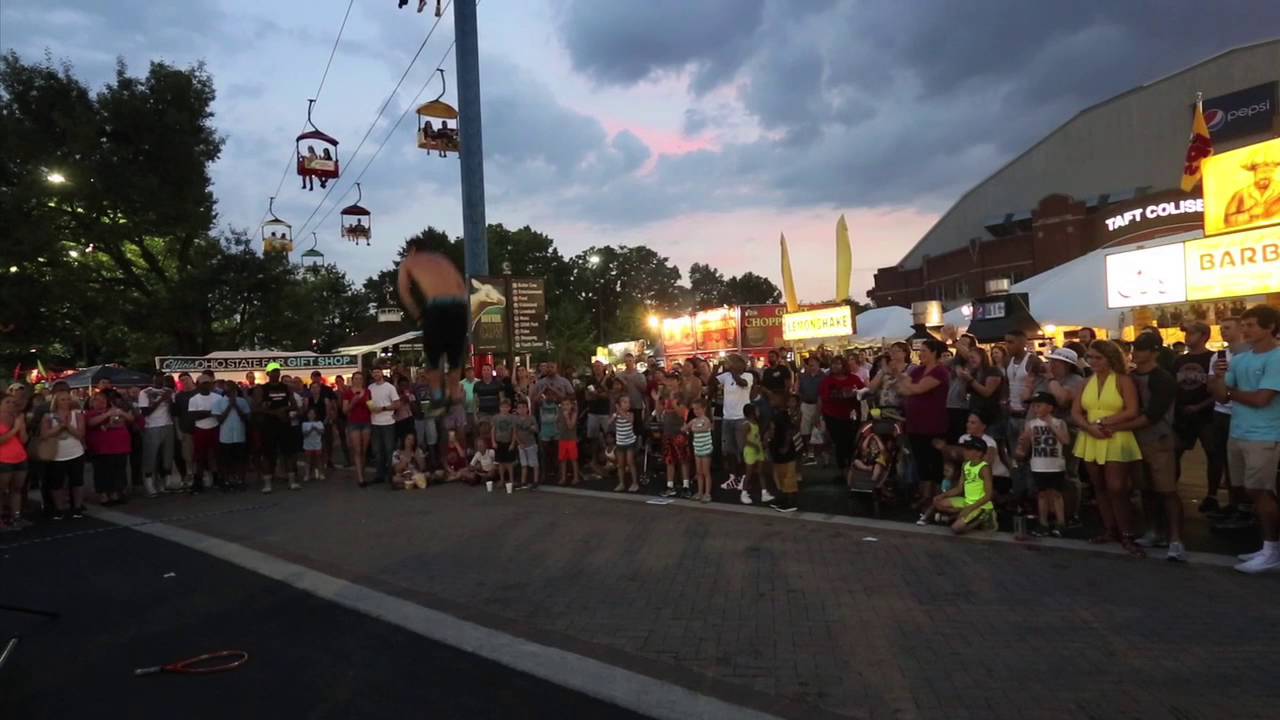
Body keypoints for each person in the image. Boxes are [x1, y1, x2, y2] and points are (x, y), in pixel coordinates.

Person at [1209, 304, 1280, 574]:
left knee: (1260, 492)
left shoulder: (1276, 358)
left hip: (1265, 434)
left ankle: (1272, 549)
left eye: (1251, 325)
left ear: (1270, 326)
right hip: (1238, 432)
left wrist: (1230, 393)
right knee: (1248, 491)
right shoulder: (1240, 359)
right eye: (1245, 325)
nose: (1245, 330)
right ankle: (1268, 547)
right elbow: (1219, 395)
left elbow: (1262, 399)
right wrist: (1218, 380)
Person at [1109, 333, 1185, 561]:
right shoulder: (1131, 376)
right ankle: (1154, 531)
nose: (1136, 352)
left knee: (1167, 490)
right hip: (1137, 439)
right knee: (1146, 489)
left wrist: (1118, 427)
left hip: (1157, 439)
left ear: (1155, 352)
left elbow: (1152, 415)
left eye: (1142, 348)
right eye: (1135, 347)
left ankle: (1175, 539)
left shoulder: (1162, 378)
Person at [1073, 340, 1145, 557]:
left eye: (1098, 357)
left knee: (1117, 487)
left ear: (1110, 358)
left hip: (1115, 435)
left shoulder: (1123, 380)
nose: (1093, 361)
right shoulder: (1087, 382)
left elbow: (1132, 410)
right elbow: (1076, 412)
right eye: (1091, 357)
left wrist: (1104, 422)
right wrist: (1089, 427)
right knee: (1099, 487)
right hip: (1092, 436)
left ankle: (1127, 533)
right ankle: (1110, 529)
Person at [397, 249, 468, 403]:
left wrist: (418, 315)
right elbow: (462, 287)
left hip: (437, 306)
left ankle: (436, 396)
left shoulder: (409, 262)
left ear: (412, 250)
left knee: (433, 358)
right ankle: (454, 393)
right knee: (455, 357)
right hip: (459, 306)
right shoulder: (443, 258)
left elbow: (404, 292)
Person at [1204, 316, 1249, 519]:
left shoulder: (1250, 353)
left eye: (1228, 327)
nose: (1224, 331)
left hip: (1243, 413)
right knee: (1223, 457)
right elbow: (1211, 388)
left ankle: (1246, 504)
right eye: (1222, 328)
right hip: (1221, 412)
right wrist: (1217, 377)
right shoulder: (1218, 357)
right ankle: (1233, 501)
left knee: (1243, 461)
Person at [898, 339, 951, 506]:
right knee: (921, 460)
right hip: (915, 424)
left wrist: (907, 383)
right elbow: (903, 389)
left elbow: (917, 388)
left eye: (924, 351)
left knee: (934, 461)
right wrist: (905, 381)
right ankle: (925, 495)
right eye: (920, 351)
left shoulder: (940, 372)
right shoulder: (918, 369)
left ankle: (936, 496)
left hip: (933, 423)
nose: (921, 354)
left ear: (934, 353)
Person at [1017, 392, 1070, 538]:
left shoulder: (1059, 423)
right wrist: (1024, 441)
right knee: (1042, 494)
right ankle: (1043, 523)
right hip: (1038, 464)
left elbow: (1065, 441)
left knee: (1056, 494)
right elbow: (1025, 443)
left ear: (1050, 407)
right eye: (1034, 406)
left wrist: (1052, 427)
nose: (1035, 409)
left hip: (1055, 464)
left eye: (1039, 406)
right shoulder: (1031, 424)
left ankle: (1060, 522)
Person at [1003, 330, 1043, 508]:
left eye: (1011, 342)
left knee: (1029, 455)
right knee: (1015, 457)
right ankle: (1019, 494)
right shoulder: (1008, 361)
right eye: (1006, 342)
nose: (1007, 346)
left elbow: (1040, 384)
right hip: (1012, 413)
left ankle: (1032, 495)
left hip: (1026, 414)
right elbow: (1007, 384)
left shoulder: (1033, 361)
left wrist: (1032, 406)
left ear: (1021, 343)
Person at [929, 437, 997, 534]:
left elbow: (988, 495)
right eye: (965, 449)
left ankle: (984, 516)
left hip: (981, 505)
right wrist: (942, 495)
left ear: (979, 453)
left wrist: (971, 507)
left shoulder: (984, 468)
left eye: (969, 449)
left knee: (956, 528)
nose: (964, 452)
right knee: (938, 503)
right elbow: (959, 488)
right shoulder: (965, 464)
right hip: (966, 501)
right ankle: (961, 516)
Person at [41, 389, 87, 519]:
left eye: (68, 399)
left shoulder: (77, 414)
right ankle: (59, 508)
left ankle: (77, 507)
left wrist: (68, 426)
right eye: (63, 399)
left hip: (76, 452)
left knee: (77, 481)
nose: (66, 402)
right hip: (57, 454)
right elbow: (44, 434)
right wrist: (59, 427)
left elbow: (81, 434)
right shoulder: (48, 416)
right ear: (56, 402)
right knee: (56, 483)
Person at [253, 362, 297, 495]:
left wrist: (285, 409)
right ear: (268, 374)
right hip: (268, 425)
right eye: (273, 372)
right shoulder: (262, 389)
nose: (276, 374)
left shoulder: (286, 388)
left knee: (289, 453)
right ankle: (267, 483)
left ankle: (292, 481)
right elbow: (256, 408)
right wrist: (274, 412)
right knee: (267, 454)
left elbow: (294, 404)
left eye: (278, 371)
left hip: (284, 424)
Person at [85, 390, 133, 505]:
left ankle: (116, 493)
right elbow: (91, 423)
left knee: (119, 470)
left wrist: (118, 414)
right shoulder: (90, 413)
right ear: (91, 403)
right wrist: (107, 416)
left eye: (103, 400)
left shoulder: (114, 410)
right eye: (97, 400)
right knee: (102, 472)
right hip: (101, 448)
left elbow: (126, 420)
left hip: (120, 447)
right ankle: (104, 495)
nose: (101, 402)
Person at [819, 355, 864, 474]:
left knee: (852, 441)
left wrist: (856, 394)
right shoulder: (827, 380)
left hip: (851, 416)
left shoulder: (854, 378)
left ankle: (852, 466)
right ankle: (842, 469)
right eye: (833, 363)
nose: (835, 366)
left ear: (844, 365)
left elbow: (864, 392)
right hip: (833, 416)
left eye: (838, 363)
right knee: (839, 442)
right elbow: (824, 397)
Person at [717, 355, 754, 490]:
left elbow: (742, 383)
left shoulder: (748, 376)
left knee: (742, 450)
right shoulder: (726, 376)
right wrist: (717, 366)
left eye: (732, 363)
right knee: (729, 451)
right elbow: (711, 382)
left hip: (741, 418)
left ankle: (745, 477)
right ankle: (733, 477)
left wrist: (731, 370)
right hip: (727, 418)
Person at [1223, 145, 1280, 229]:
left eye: (1269, 171)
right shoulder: (1241, 194)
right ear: (1255, 172)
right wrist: (1249, 213)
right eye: (1262, 171)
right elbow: (1228, 221)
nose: (1265, 175)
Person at [137, 373, 175, 497]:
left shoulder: (169, 391)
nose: (160, 381)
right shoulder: (145, 392)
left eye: (162, 378)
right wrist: (161, 400)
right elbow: (145, 412)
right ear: (152, 379)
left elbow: (174, 410)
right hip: (152, 426)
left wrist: (170, 401)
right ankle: (149, 483)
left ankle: (165, 483)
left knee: (167, 455)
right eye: (157, 378)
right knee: (151, 456)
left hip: (168, 424)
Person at [212, 382, 250, 491]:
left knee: (240, 459)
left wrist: (236, 406)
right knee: (226, 460)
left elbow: (246, 418)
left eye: (233, 390)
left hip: (239, 435)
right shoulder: (218, 402)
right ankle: (227, 480)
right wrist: (229, 406)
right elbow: (220, 420)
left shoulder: (242, 401)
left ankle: (240, 480)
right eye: (228, 391)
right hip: (225, 436)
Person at [185, 372, 220, 494]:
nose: (206, 386)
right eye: (203, 384)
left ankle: (217, 479)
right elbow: (193, 416)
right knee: (199, 457)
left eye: (208, 383)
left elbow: (219, 413)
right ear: (198, 385)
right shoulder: (194, 399)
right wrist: (210, 413)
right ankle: (198, 481)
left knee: (214, 455)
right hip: (200, 429)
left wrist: (203, 413)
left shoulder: (217, 397)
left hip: (214, 427)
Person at [367, 367, 401, 488]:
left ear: (382, 373)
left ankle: (391, 474)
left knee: (389, 450)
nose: (376, 374)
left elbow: (397, 403)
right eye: (374, 372)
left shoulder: (390, 387)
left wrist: (383, 408)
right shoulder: (370, 388)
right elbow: (368, 402)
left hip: (388, 422)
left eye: (378, 372)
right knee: (377, 451)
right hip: (374, 423)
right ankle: (379, 475)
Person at [0, 395, 29, 530]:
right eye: (7, 402)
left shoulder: (17, 418)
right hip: (3, 459)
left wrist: (21, 426)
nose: (11, 404)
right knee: (1, 490)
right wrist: (15, 429)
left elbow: (23, 440)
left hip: (20, 457)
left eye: (13, 402)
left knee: (17, 489)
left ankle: (16, 516)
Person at [342, 372, 373, 487]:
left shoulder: (368, 391)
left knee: (364, 450)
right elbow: (344, 410)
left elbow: (372, 407)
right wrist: (353, 402)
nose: (358, 380)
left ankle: (362, 473)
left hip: (366, 422)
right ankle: (360, 478)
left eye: (360, 378)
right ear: (352, 380)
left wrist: (369, 404)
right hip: (354, 423)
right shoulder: (347, 393)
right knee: (357, 450)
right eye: (356, 378)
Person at [739, 403, 774, 506]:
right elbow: (744, 440)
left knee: (761, 471)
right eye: (757, 410)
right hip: (750, 451)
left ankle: (764, 492)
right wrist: (754, 445)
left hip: (758, 450)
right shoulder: (746, 424)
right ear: (751, 413)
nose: (759, 412)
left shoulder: (756, 423)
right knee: (749, 473)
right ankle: (744, 493)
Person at [659, 395, 691, 498]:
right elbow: (659, 413)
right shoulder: (665, 399)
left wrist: (674, 404)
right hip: (668, 434)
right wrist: (657, 401)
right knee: (669, 460)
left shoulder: (681, 399)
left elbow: (683, 414)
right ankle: (670, 486)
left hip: (679, 434)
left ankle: (686, 486)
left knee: (683, 460)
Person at [584, 362, 614, 473]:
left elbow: (610, 395)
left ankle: (610, 460)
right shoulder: (590, 381)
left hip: (606, 412)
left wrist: (596, 394)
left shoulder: (609, 380)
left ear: (603, 368)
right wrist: (600, 394)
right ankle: (594, 460)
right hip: (593, 412)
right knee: (593, 438)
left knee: (609, 437)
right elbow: (588, 397)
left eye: (599, 367)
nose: (597, 369)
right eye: (595, 367)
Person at [796, 356, 824, 463]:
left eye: (813, 364)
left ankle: (820, 453)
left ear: (818, 364)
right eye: (809, 364)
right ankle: (810, 452)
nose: (811, 366)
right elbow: (798, 390)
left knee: (818, 430)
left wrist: (819, 409)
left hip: (819, 404)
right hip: (806, 404)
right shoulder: (804, 377)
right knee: (805, 430)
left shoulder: (823, 377)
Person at [610, 396, 639, 493]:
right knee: (620, 464)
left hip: (630, 442)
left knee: (630, 462)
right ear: (619, 404)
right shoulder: (616, 415)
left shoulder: (631, 414)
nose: (627, 404)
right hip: (620, 443)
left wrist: (620, 411)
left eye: (628, 402)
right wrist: (615, 415)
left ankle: (635, 483)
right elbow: (608, 423)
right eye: (624, 402)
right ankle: (621, 483)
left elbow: (629, 420)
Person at [492, 398, 518, 494]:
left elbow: (514, 431)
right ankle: (502, 480)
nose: (504, 409)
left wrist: (512, 443)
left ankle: (511, 479)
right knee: (501, 462)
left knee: (509, 462)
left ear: (509, 408)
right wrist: (493, 441)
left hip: (508, 442)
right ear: (499, 408)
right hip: (499, 442)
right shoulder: (496, 418)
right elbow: (493, 430)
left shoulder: (512, 418)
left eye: (506, 407)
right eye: (502, 407)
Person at [514, 401, 540, 490]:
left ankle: (536, 481)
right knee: (523, 464)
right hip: (521, 445)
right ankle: (523, 481)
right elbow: (515, 433)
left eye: (524, 407)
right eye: (520, 408)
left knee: (534, 463)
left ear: (527, 409)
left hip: (531, 444)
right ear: (517, 410)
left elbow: (536, 430)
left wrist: (533, 428)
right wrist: (519, 443)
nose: (522, 409)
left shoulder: (531, 418)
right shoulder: (516, 419)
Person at [557, 397, 580, 486]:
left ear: (571, 405)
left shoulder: (573, 413)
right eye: (563, 405)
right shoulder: (560, 413)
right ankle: (563, 477)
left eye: (567, 404)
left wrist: (567, 417)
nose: (565, 406)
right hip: (562, 439)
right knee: (563, 459)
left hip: (571, 439)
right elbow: (557, 423)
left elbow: (571, 426)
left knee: (573, 459)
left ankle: (576, 477)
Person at [301, 406, 325, 484]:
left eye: (313, 413)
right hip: (308, 445)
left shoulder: (319, 423)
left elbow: (322, 432)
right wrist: (311, 429)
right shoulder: (304, 424)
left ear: (315, 415)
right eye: (310, 413)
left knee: (319, 459)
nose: (311, 415)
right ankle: (307, 474)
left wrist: (316, 429)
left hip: (317, 444)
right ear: (307, 415)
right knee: (308, 460)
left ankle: (320, 473)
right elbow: (304, 434)